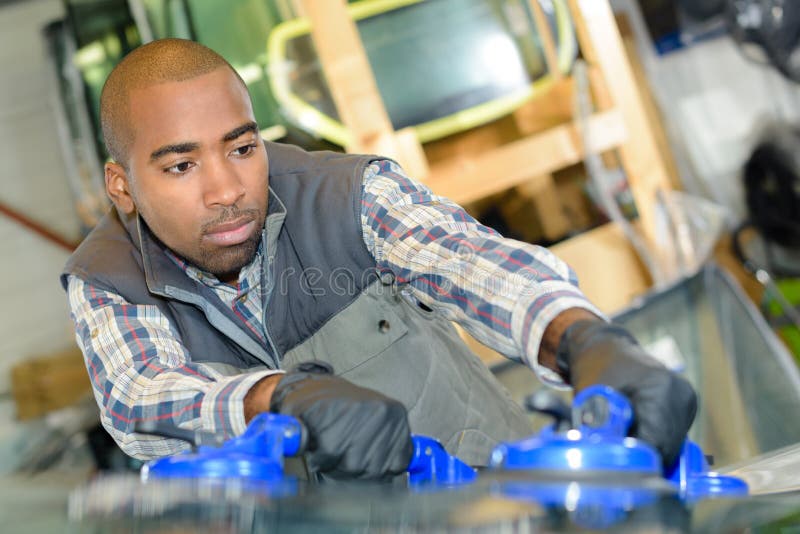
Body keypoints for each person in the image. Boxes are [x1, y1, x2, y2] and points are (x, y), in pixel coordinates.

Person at [62, 39, 696, 481]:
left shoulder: (347, 193)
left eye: (242, 148)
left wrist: (578, 335)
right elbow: (142, 397)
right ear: (122, 187)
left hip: (497, 506)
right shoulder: (107, 281)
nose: (226, 190)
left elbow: (469, 262)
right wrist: (276, 400)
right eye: (181, 165)